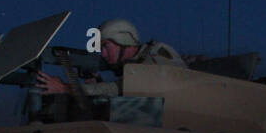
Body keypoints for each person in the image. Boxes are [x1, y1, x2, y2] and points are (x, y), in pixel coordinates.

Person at [35, 18, 184, 97]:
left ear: (124, 41)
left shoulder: (156, 55)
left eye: (106, 46)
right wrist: (96, 83)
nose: (103, 55)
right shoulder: (138, 62)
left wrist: (65, 88)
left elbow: (117, 89)